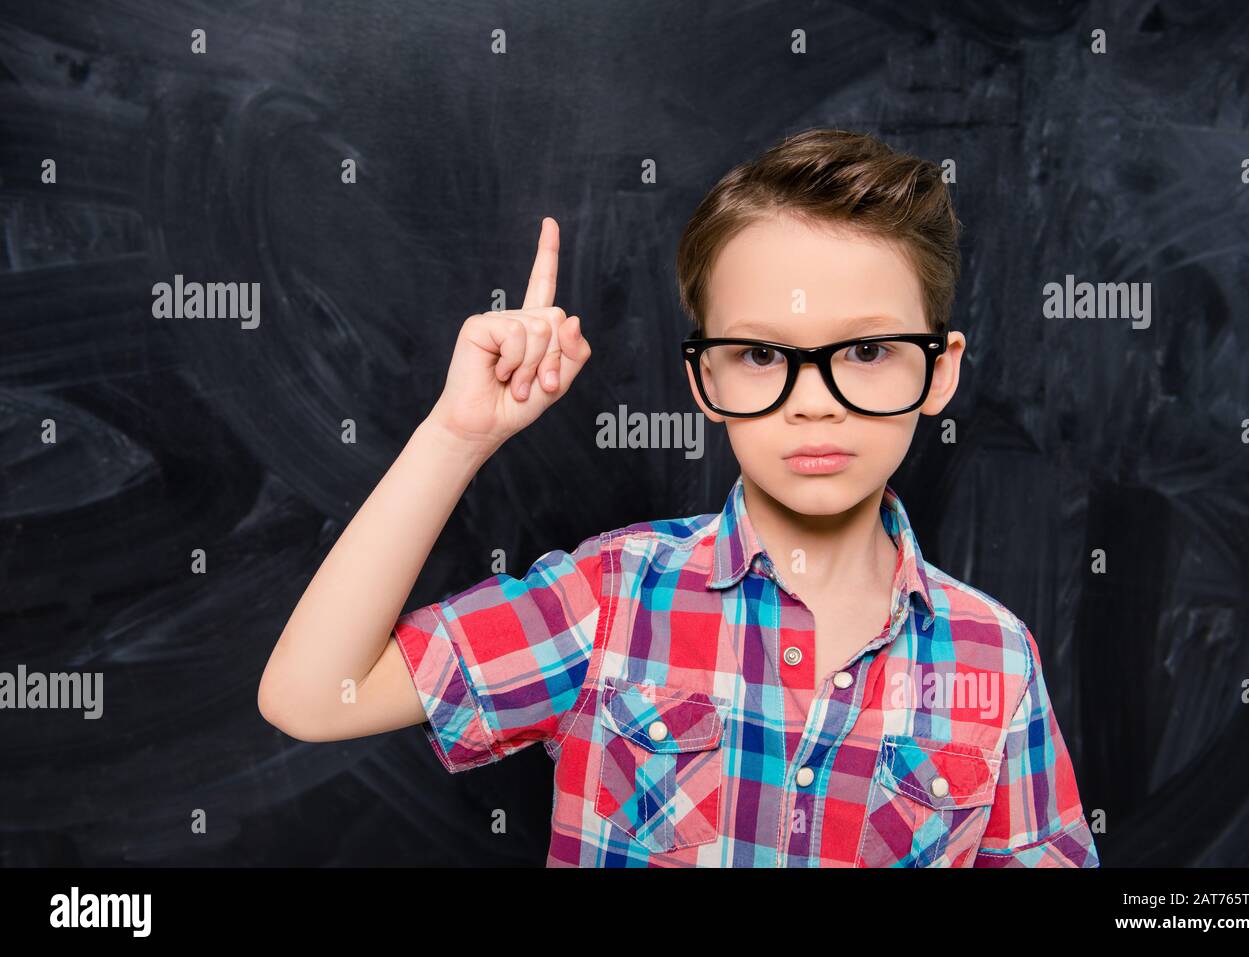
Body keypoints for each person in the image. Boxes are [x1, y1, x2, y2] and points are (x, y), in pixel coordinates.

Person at [259, 128, 1099, 868]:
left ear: (940, 370)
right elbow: (307, 695)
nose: (816, 399)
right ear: (704, 375)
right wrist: (457, 435)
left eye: (869, 349)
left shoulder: (995, 659)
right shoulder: (613, 597)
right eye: (763, 355)